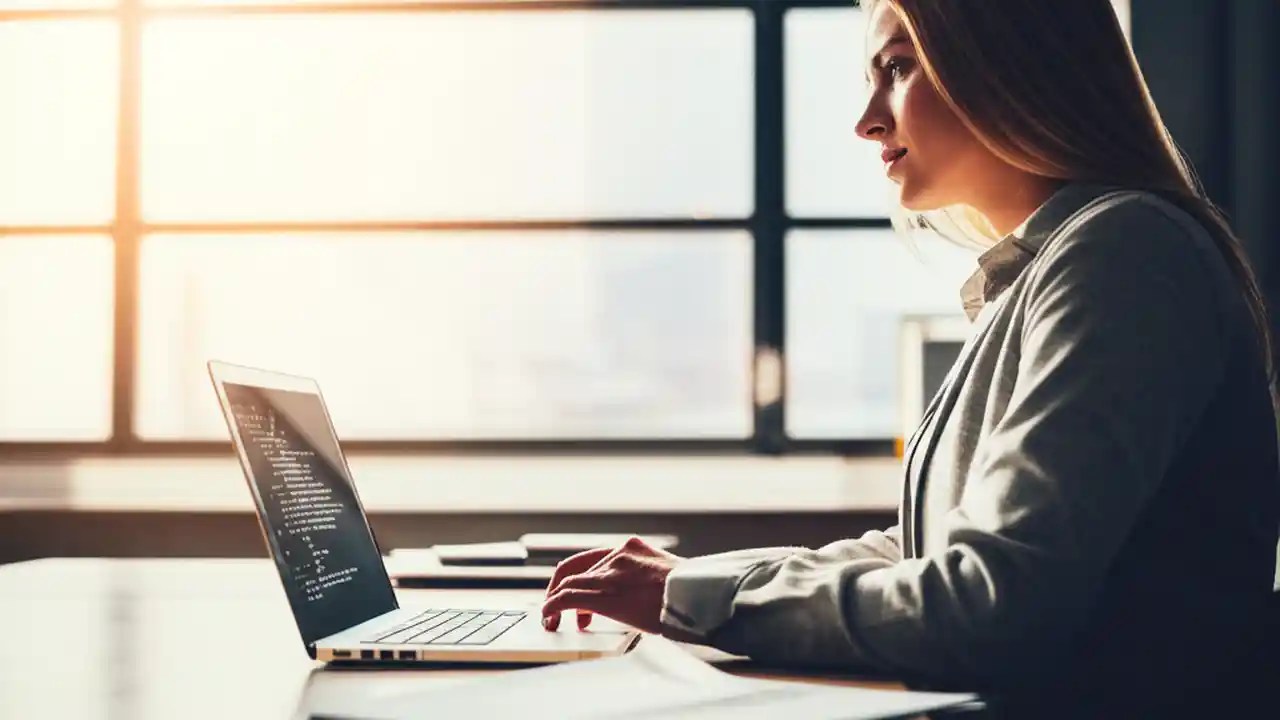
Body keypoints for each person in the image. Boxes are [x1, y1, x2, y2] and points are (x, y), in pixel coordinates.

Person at [541, 0, 1280, 715]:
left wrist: (696, 598)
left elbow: (985, 599)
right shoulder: (1061, 265)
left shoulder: (1121, 255)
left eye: (897, 67)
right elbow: (924, 552)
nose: (867, 120)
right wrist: (693, 580)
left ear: (1011, 61)